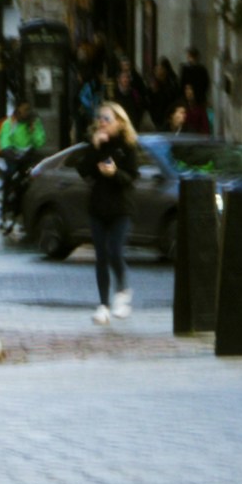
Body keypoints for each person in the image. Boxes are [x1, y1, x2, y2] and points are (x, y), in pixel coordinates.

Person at [73, 104, 149, 325]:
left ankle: (123, 290)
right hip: (98, 207)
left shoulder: (128, 146)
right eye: (99, 118)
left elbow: (131, 178)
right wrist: (95, 148)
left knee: (114, 250)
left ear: (119, 122)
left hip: (121, 209)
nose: (102, 122)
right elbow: (83, 170)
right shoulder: (96, 143)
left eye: (106, 118)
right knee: (101, 256)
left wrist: (115, 173)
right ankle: (103, 305)